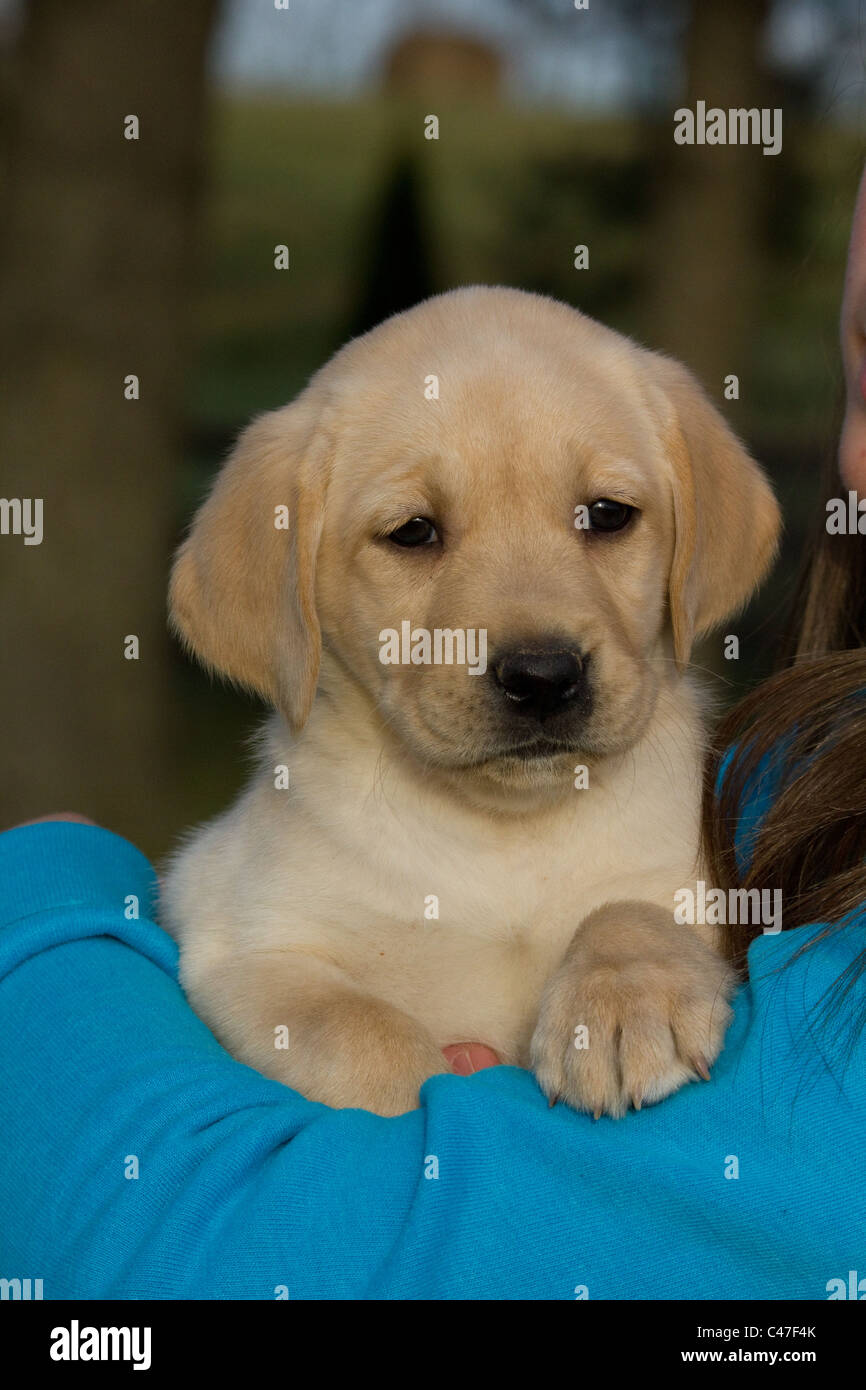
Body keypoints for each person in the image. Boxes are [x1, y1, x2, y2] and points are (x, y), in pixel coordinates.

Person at [2, 170, 865, 1301]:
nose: (535, 644)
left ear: (691, 543)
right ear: (287, 600)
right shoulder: (780, 790)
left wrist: (629, 941)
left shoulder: (723, 825)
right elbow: (246, 967)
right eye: (413, 533)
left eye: (604, 518)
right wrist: (378, 1074)